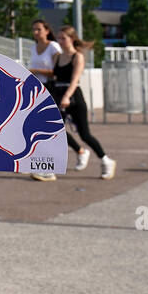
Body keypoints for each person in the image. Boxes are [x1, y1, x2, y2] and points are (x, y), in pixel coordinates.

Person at [51, 25, 117, 179]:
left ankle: (106, 160)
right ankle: (49, 167)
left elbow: (75, 80)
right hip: (58, 94)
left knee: (85, 134)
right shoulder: (57, 57)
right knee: (54, 131)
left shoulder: (77, 57)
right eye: (59, 38)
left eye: (63, 38)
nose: (60, 41)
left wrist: (67, 96)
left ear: (72, 39)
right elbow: (54, 78)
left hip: (74, 97)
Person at [26, 18, 68, 181]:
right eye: (34, 29)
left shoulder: (53, 47)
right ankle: (38, 164)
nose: (35, 32)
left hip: (52, 88)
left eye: (38, 29)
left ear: (47, 30)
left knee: (50, 128)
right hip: (37, 89)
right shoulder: (33, 47)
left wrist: (36, 70)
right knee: (35, 126)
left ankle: (50, 168)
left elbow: (59, 71)